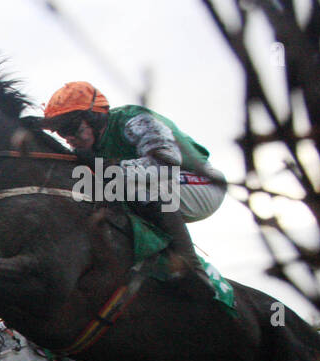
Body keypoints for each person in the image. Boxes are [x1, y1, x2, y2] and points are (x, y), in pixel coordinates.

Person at [38, 81, 226, 286]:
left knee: (129, 185)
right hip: (171, 188)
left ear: (94, 118)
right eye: (61, 132)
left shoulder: (134, 121)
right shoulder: (93, 145)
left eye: (70, 127)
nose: (68, 138)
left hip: (203, 184)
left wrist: (107, 166)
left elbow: (166, 163)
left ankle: (195, 272)